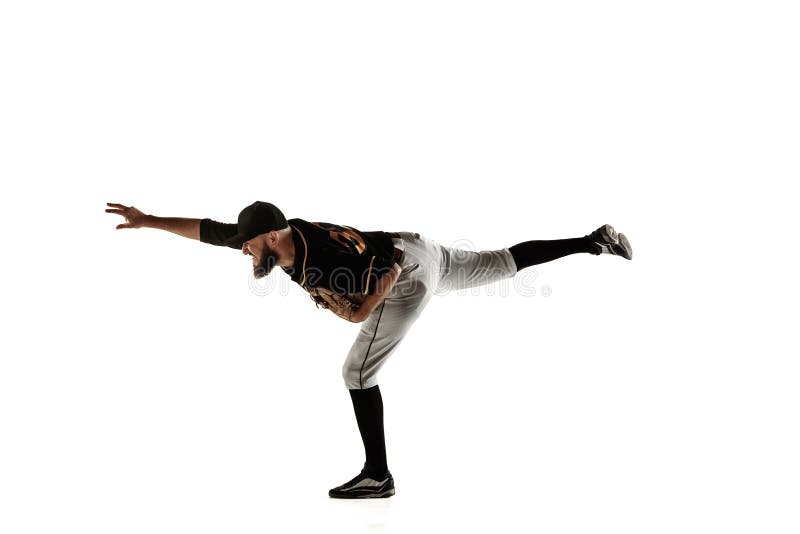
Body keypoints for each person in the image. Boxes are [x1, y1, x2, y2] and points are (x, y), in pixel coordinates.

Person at [106, 200, 632, 499]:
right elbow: (209, 232)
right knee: (500, 262)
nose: (241, 249)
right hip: (418, 244)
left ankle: (378, 476)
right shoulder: (279, 237)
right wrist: (148, 219)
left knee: (356, 372)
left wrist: (361, 312)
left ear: (269, 235)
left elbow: (388, 270)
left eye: (247, 243)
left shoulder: (321, 260)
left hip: (403, 272)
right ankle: (594, 240)